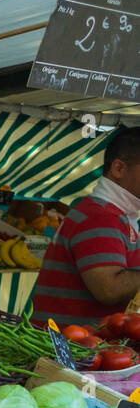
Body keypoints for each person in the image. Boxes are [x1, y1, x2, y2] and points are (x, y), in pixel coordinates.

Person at [33, 125, 140, 326]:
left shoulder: (117, 215)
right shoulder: (100, 217)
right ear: (118, 168)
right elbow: (109, 289)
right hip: (73, 350)